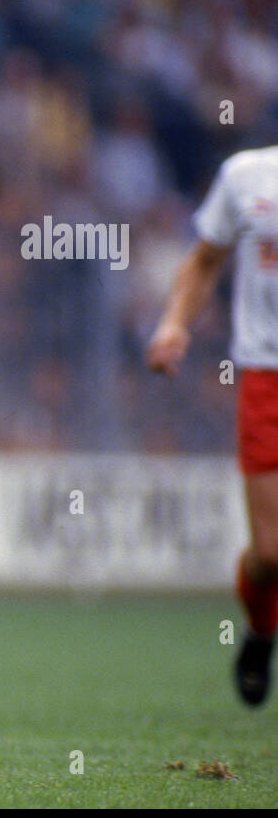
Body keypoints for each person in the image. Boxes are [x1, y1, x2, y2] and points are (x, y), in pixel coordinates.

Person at [147, 143, 278, 707]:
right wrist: (174, 323)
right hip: (267, 375)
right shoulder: (248, 176)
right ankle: (261, 631)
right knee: (270, 555)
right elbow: (205, 259)